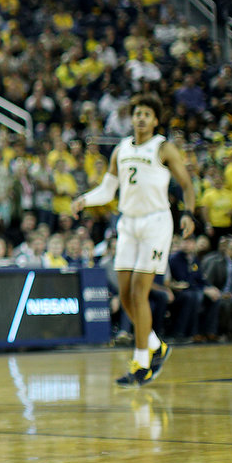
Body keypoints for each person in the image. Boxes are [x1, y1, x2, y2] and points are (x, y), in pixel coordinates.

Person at [73, 92, 196, 387]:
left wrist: (189, 213)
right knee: (126, 295)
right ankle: (157, 344)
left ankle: (141, 364)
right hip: (127, 223)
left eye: (146, 114)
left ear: (155, 120)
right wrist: (84, 200)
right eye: (137, 113)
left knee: (139, 294)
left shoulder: (163, 147)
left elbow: (187, 185)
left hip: (156, 222)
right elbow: (107, 190)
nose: (140, 118)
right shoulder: (121, 149)